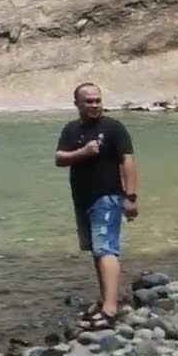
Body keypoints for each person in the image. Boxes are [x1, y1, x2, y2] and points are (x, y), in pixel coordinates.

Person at [54, 83, 138, 330]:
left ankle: (110, 309)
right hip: (82, 197)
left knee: (106, 248)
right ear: (77, 104)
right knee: (95, 250)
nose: (94, 105)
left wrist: (131, 196)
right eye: (89, 101)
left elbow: (128, 161)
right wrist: (84, 152)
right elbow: (59, 158)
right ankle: (107, 299)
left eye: (98, 100)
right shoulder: (72, 129)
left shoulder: (113, 128)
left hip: (108, 195)